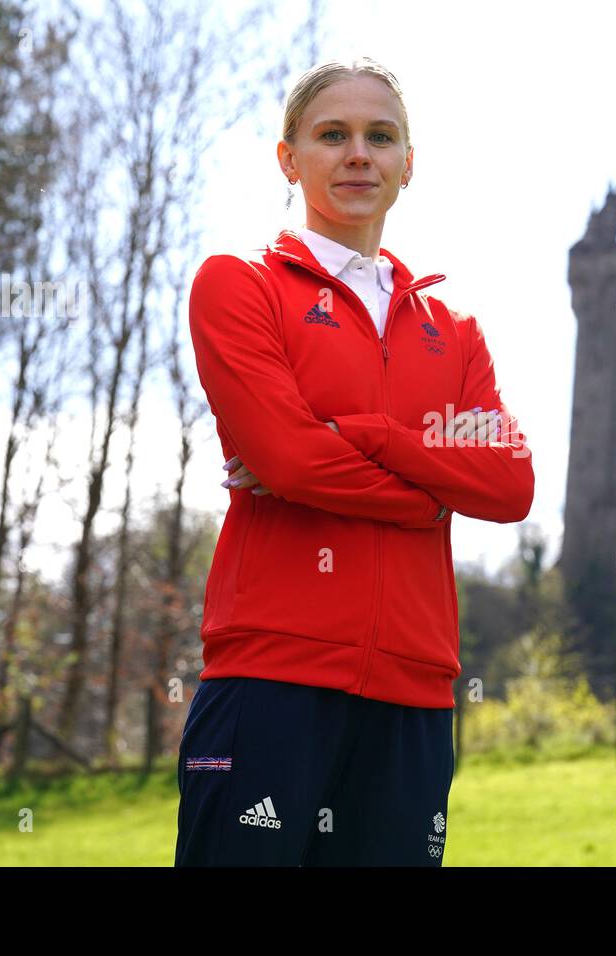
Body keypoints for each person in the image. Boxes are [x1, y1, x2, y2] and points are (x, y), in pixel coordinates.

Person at [175, 56, 534, 867]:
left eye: (381, 136)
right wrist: (432, 493)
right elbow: (291, 461)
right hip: (270, 677)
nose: (358, 154)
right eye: (332, 134)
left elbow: (510, 483)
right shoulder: (238, 286)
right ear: (289, 158)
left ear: (409, 165)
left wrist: (368, 433)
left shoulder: (457, 328)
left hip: (414, 690)